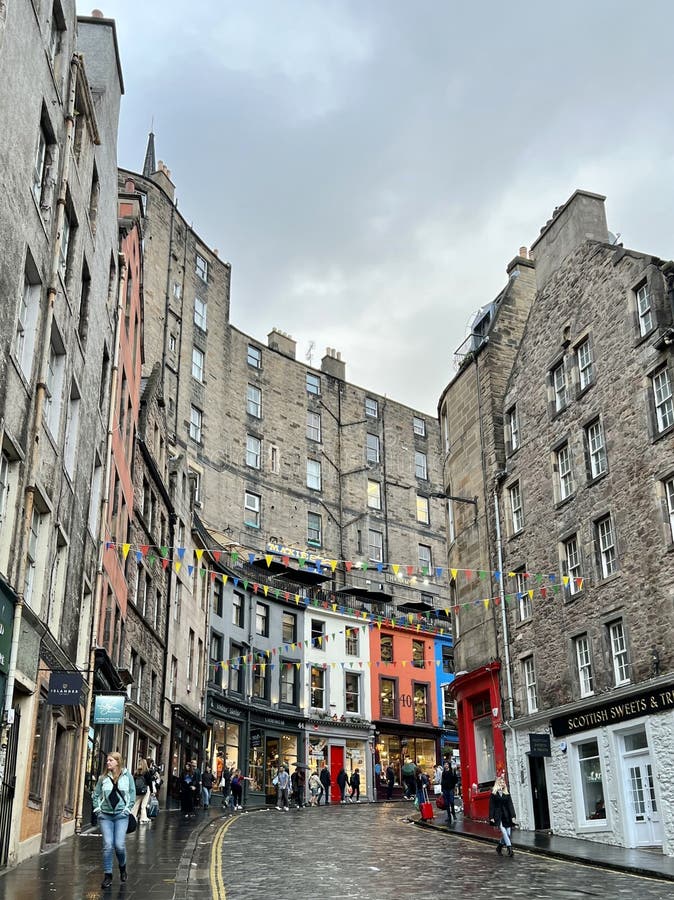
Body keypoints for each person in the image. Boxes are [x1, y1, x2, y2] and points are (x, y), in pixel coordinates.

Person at [92, 751, 136, 889]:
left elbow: (132, 793)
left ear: (118, 761)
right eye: (107, 760)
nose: (108, 762)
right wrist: (97, 810)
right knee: (107, 845)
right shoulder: (102, 778)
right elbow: (95, 795)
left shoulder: (127, 776)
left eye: (110, 760)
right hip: (105, 816)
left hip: (121, 816)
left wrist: (127, 810)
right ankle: (108, 875)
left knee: (119, 845)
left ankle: (122, 868)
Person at [489, 775, 517, 857]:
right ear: (497, 784)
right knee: (504, 832)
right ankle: (510, 849)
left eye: (503, 782)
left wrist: (513, 816)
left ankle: (499, 847)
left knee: (508, 834)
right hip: (498, 816)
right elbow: (491, 806)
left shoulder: (507, 793)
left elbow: (510, 805)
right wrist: (491, 817)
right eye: (500, 782)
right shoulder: (494, 794)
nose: (502, 784)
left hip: (506, 815)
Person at [131, 758, 151, 824]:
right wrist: (152, 790)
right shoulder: (147, 772)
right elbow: (149, 782)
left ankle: (133, 818)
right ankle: (143, 818)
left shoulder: (136, 772)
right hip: (145, 789)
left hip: (137, 790)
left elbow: (133, 781)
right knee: (143, 805)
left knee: (136, 804)